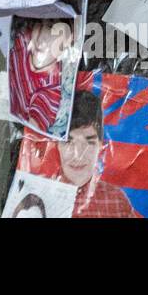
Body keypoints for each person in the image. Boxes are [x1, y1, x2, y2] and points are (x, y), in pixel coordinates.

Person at [58, 89, 138, 217]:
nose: (78, 155)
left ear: (100, 145)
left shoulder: (117, 201)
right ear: (57, 145)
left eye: (89, 143)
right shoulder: (36, 193)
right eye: (68, 142)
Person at [8, 18, 76, 136]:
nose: (41, 37)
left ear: (68, 41)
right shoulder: (24, 41)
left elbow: (33, 132)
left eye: (52, 29)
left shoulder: (50, 90)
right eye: (39, 24)